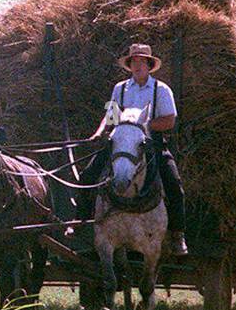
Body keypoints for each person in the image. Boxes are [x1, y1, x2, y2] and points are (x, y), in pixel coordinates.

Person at [76, 43, 187, 256]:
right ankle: (81, 224)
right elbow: (111, 117)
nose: (137, 65)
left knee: (174, 184)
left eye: (141, 61)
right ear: (130, 65)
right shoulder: (121, 88)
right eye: (133, 62)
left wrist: (143, 127)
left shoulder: (161, 90)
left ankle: (177, 235)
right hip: (120, 143)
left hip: (150, 143)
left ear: (149, 65)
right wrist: (99, 133)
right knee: (88, 174)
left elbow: (169, 121)